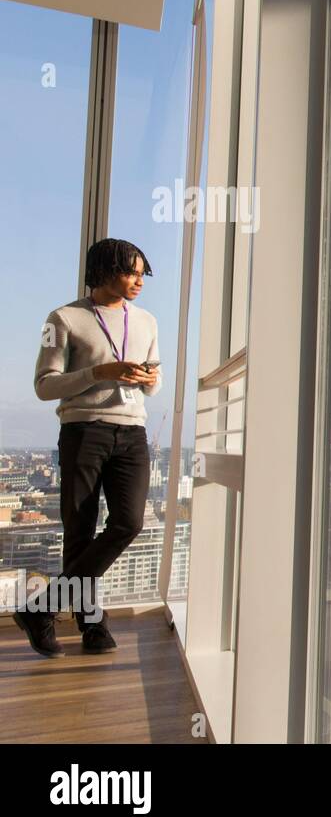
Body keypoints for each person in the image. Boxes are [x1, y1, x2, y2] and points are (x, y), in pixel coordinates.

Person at [18, 239, 163, 657]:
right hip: (83, 430)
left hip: (131, 431)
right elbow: (45, 386)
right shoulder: (62, 318)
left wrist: (147, 379)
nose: (138, 281)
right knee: (78, 532)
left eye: (141, 274)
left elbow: (157, 383)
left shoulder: (147, 321)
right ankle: (92, 628)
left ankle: (41, 610)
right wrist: (100, 372)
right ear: (103, 270)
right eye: (131, 272)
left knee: (129, 522)